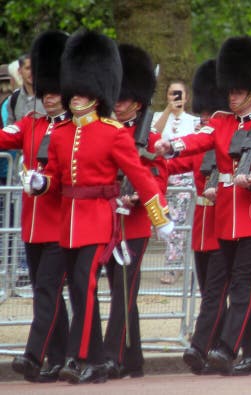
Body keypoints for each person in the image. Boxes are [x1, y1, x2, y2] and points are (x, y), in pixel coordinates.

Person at [28, 29, 173, 384]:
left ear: (96, 92)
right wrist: (39, 182)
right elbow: (57, 179)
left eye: (82, 90)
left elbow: (141, 177)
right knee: (78, 292)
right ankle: (91, 358)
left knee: (86, 285)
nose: (76, 97)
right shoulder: (61, 133)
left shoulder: (113, 133)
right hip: (69, 223)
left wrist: (160, 218)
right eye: (73, 90)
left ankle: (83, 359)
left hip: (97, 222)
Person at [155, 36, 251, 376]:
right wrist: (171, 147)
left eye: (238, 91)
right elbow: (198, 141)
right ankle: (246, 355)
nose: (231, 96)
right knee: (232, 288)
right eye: (229, 91)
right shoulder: (220, 122)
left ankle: (227, 348)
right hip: (227, 217)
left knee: (243, 286)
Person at [5, 30, 70, 383]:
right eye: (46, 92)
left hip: (61, 224)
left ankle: (34, 355)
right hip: (33, 224)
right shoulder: (31, 124)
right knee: (47, 293)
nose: (49, 98)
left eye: (55, 92)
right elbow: (5, 135)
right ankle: (58, 357)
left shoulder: (75, 130)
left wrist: (47, 182)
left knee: (47, 289)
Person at [102, 43, 165, 380]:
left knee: (124, 291)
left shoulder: (150, 138)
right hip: (108, 223)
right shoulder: (107, 133)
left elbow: (158, 177)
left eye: (123, 99)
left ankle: (112, 356)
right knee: (120, 290)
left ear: (137, 103)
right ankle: (134, 359)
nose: (117, 103)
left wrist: (138, 199)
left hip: (135, 225)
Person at [171, 59, 231, 375]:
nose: (205, 117)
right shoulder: (200, 136)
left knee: (215, 294)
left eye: (210, 112)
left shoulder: (228, 139)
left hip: (222, 225)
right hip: (201, 227)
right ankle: (220, 349)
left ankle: (202, 346)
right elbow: (178, 163)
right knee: (210, 291)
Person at [152, 80, 199, 285]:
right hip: (161, 177)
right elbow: (153, 132)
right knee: (160, 221)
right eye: (172, 93)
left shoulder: (193, 121)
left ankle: (173, 267)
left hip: (183, 178)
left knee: (177, 223)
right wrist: (168, 110)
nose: (176, 97)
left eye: (179, 94)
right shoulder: (159, 117)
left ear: (186, 97)